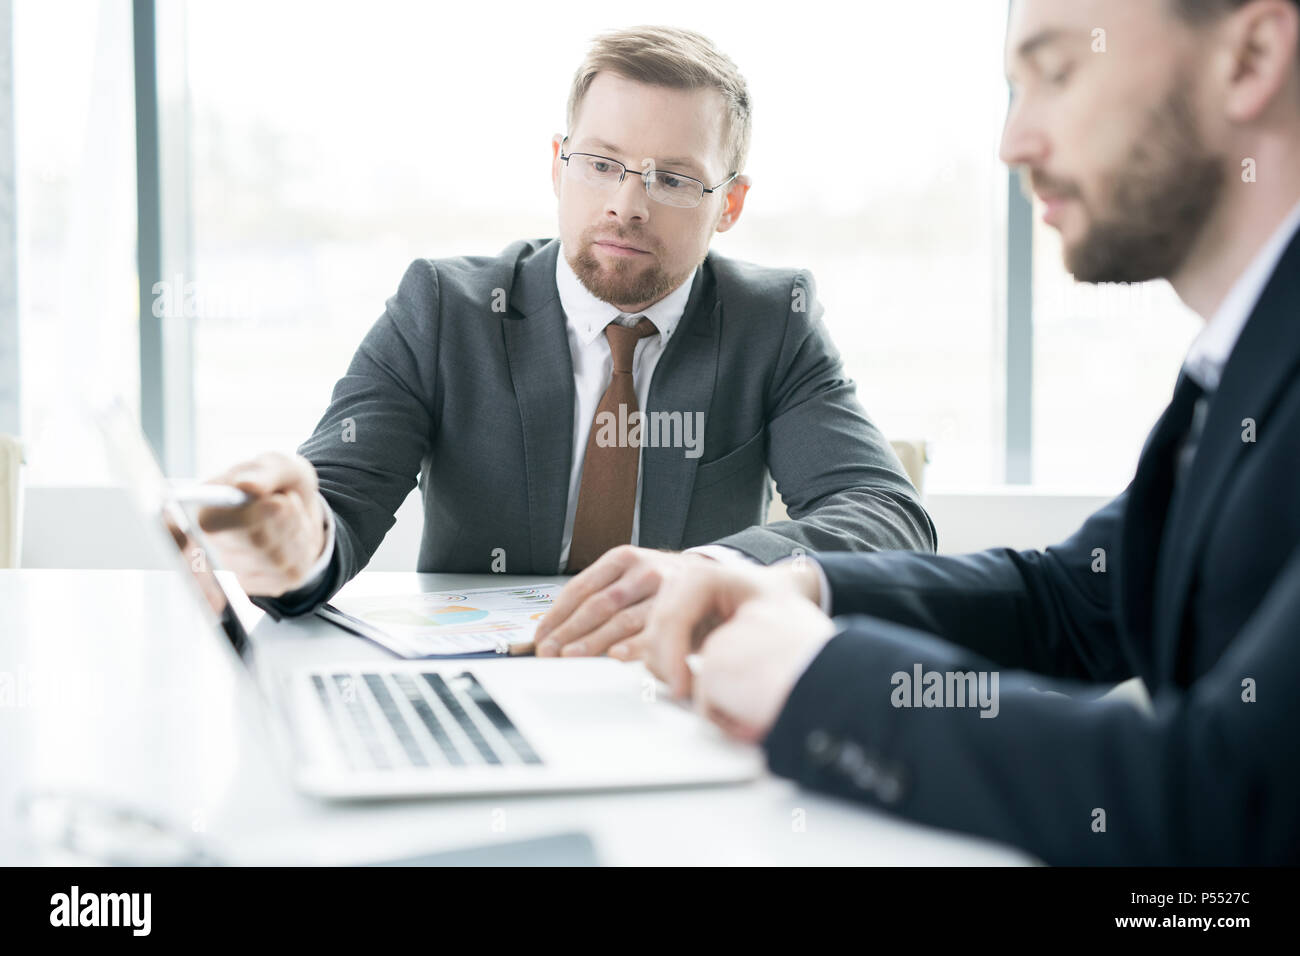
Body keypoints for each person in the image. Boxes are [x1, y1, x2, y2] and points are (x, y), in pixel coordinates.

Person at [642, 0, 1300, 865]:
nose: (1012, 143)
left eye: (1058, 74)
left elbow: (1226, 799)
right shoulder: (1245, 358)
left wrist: (818, 681)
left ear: (1250, 58)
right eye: (1011, 91)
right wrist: (806, 589)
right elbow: (1077, 599)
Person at [197, 27, 936, 630]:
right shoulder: (444, 308)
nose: (627, 203)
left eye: (673, 179)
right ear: (557, 166)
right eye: (601, 163)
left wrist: (704, 571)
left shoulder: (772, 323)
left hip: (682, 686)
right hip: (477, 688)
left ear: (730, 206)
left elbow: (888, 516)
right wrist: (295, 546)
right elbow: (335, 505)